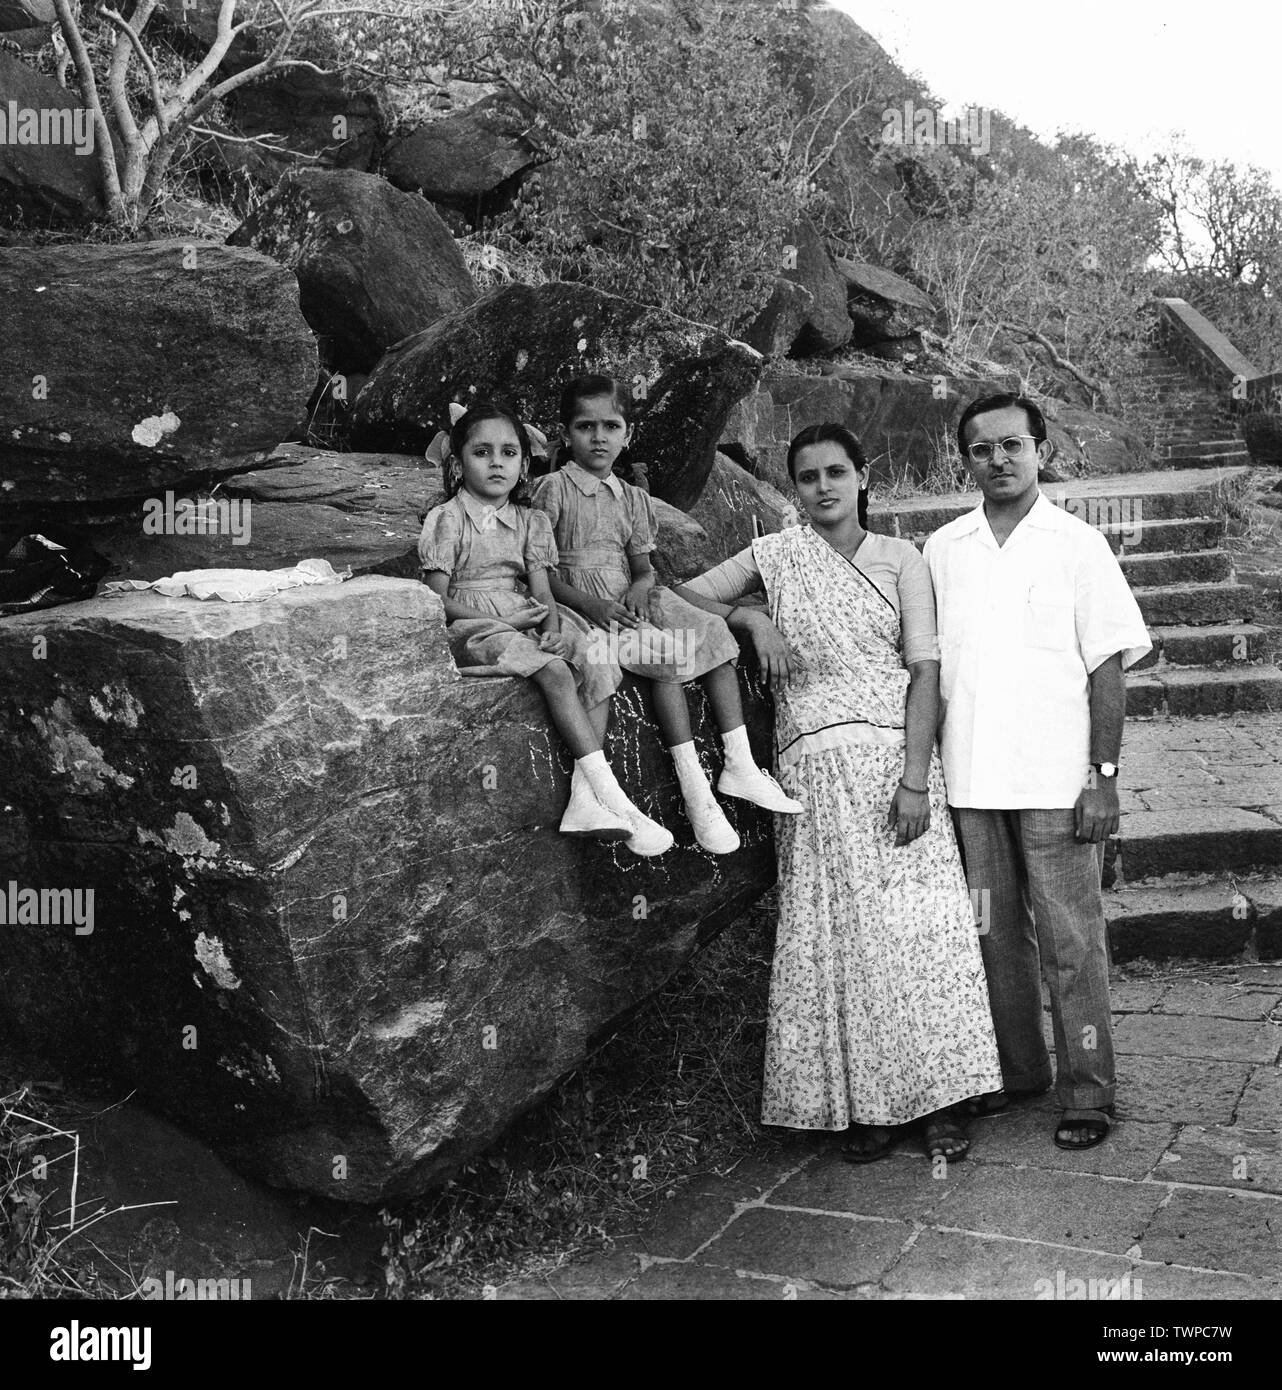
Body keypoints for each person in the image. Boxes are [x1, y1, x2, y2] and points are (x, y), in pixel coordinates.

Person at [678, 423, 1002, 1162]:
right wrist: (752, 615)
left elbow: (924, 672)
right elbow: (676, 596)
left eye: (836, 472)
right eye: (807, 476)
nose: (823, 487)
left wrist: (916, 779)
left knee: (920, 937)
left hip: (894, 765)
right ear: (794, 490)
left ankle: (942, 1102)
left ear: (862, 478)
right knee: (841, 941)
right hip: (813, 776)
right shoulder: (776, 556)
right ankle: (867, 1105)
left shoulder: (900, 560)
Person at [923, 393, 1152, 1150]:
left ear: (1040, 449)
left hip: (1057, 785)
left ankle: (1089, 1088)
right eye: (982, 449)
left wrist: (1104, 776)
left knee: (1071, 942)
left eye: (1013, 445)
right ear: (966, 461)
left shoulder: (1077, 545)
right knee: (993, 935)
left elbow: (1108, 668)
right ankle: (1019, 1072)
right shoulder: (943, 548)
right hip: (972, 784)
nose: (998, 460)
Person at [530, 375, 803, 856]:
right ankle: (696, 794)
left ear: (626, 434)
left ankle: (739, 762)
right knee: (665, 656)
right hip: (581, 605)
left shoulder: (633, 497)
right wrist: (592, 605)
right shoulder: (553, 490)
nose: (599, 437)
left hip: (631, 598)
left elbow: (642, 567)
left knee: (713, 629)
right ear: (565, 434)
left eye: (610, 426)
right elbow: (540, 569)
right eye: (585, 426)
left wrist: (638, 587)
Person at [418, 398, 673, 857]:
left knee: (595, 657)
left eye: (509, 453)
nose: (497, 463)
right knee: (555, 673)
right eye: (482, 453)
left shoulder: (531, 520)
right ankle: (613, 796)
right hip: (474, 621)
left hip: (524, 612)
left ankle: (583, 801)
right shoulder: (448, 518)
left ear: (523, 461)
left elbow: (542, 588)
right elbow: (436, 598)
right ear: (458, 464)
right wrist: (502, 620)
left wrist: (554, 627)